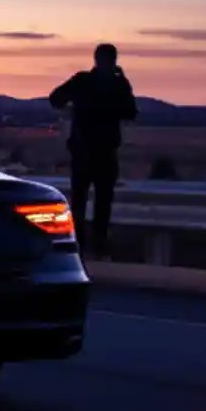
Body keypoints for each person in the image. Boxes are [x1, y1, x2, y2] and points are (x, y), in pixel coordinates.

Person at [49, 43, 138, 258]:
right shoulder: (117, 85)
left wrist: (72, 108)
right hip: (105, 152)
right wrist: (123, 81)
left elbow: (55, 99)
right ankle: (98, 246)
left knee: (79, 199)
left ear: (96, 59)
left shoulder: (82, 81)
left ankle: (77, 244)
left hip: (83, 151)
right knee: (102, 202)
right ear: (114, 61)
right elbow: (131, 112)